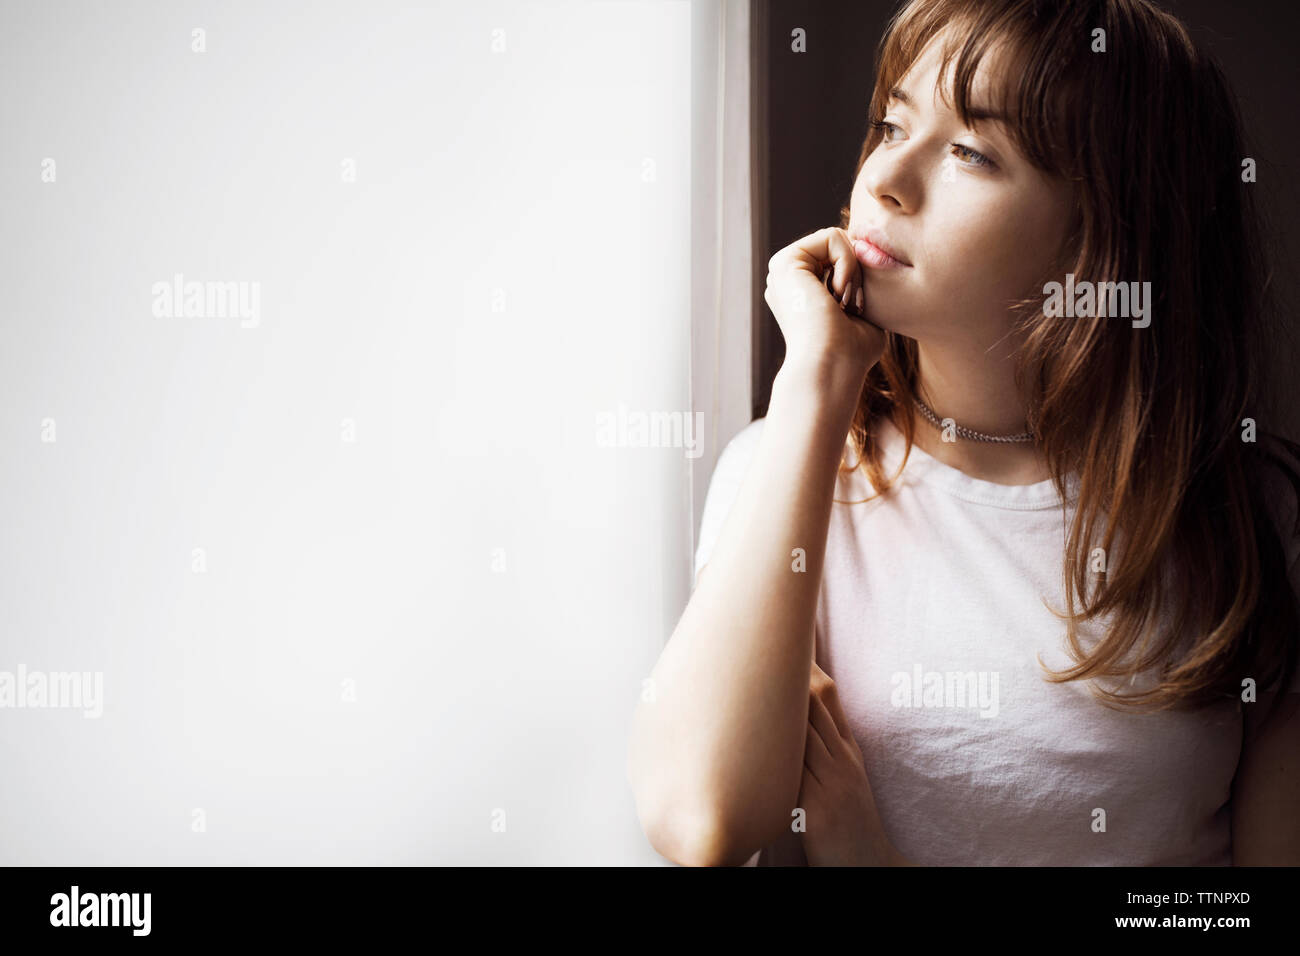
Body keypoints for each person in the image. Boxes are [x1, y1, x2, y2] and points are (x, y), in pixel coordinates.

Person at [626, 0, 1300, 866]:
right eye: (890, 123)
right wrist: (817, 384)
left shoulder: (1259, 520)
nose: (886, 178)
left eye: (971, 153)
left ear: (1105, 239)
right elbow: (700, 821)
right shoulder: (786, 467)